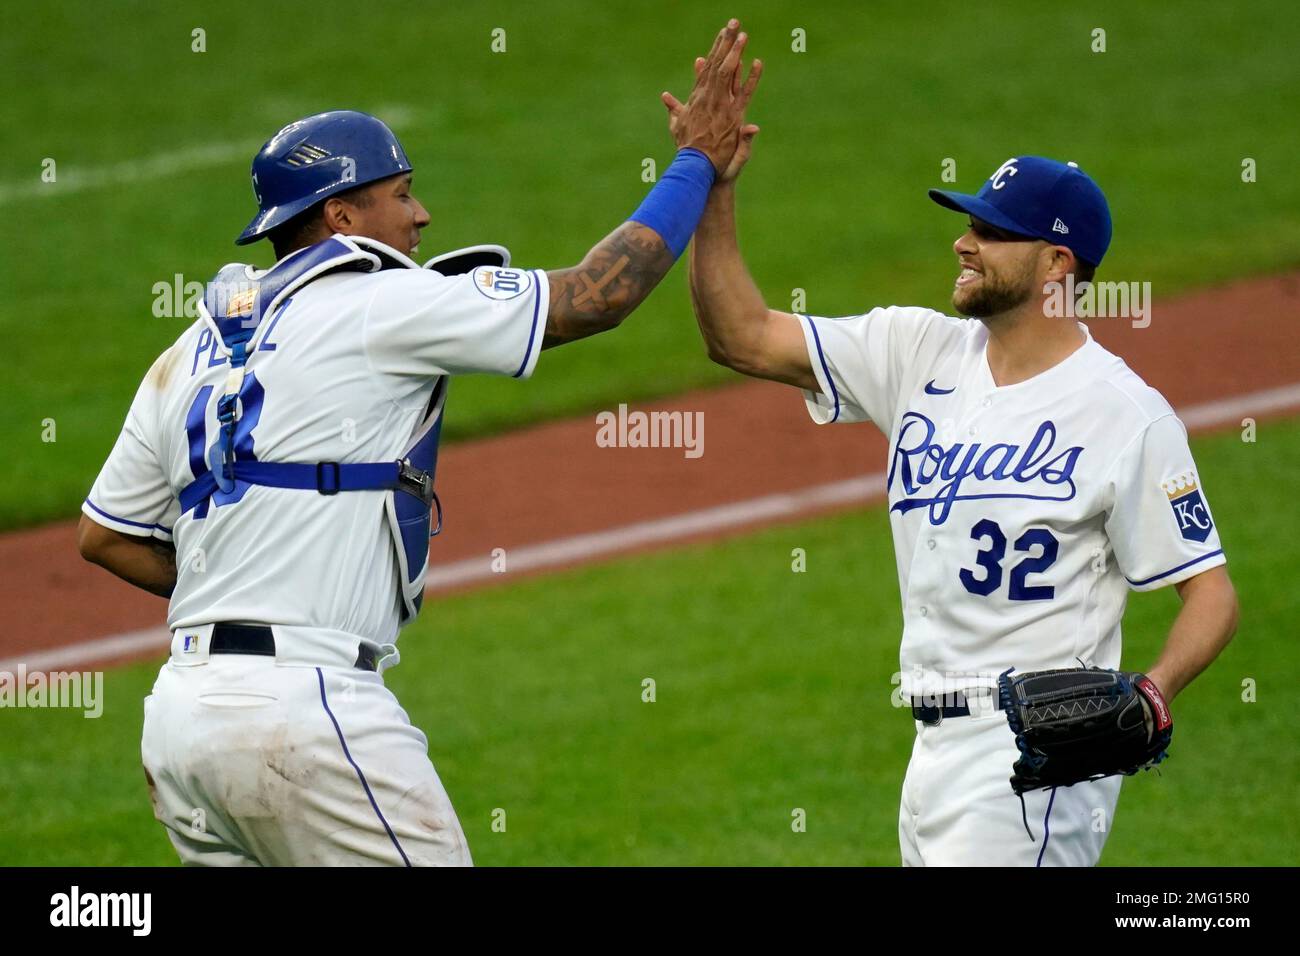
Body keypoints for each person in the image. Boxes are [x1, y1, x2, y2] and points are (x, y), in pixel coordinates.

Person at [76, 19, 760, 866]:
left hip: (180, 724)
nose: (422, 214)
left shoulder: (190, 348)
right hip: (307, 714)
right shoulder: (379, 303)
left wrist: (250, 582)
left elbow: (103, 534)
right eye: (402, 194)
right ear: (340, 215)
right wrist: (696, 162)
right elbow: (597, 294)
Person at [676, 85, 1239, 864]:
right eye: (969, 223)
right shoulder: (916, 351)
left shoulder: (1127, 415)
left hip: (1033, 762)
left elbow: (1211, 592)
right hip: (930, 754)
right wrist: (712, 185)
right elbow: (738, 336)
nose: (963, 243)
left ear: (1055, 263)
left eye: (991, 230)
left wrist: (1155, 689)